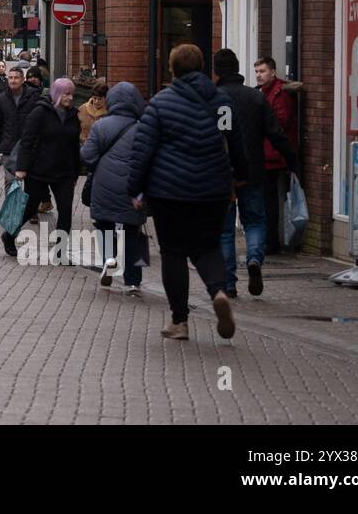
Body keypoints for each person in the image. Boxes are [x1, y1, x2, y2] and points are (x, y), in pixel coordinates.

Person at [127, 44, 247, 341]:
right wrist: (241, 177)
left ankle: (179, 321)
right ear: (203, 66)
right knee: (208, 247)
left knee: (173, 253)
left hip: (169, 192)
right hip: (213, 190)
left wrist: (134, 188)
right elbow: (235, 142)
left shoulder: (160, 104)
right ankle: (218, 291)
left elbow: (143, 150)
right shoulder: (221, 103)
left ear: (173, 69)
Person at [213, 49, 297, 298]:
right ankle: (254, 260)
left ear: (217, 70)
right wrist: (291, 159)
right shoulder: (255, 97)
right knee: (255, 220)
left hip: (221, 172)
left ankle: (228, 284)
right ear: (238, 68)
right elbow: (275, 132)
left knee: (225, 229)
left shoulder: (211, 98)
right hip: (252, 169)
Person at [81, 82, 148, 295]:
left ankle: (109, 260)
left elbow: (87, 155)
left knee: (104, 225)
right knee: (131, 233)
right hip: (133, 188)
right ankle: (132, 282)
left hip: (104, 185)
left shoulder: (101, 125)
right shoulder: (143, 128)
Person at [9, 78, 81, 258]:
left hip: (64, 172)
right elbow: (27, 141)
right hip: (39, 171)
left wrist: (76, 172)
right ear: (57, 94)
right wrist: (21, 168)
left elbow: (74, 146)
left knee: (65, 211)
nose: (70, 98)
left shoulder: (73, 115)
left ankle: (60, 252)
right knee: (30, 209)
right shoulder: (40, 112)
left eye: (72, 94)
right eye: (66, 94)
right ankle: (9, 236)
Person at [254, 56, 298, 255]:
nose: (259, 75)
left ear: (273, 72)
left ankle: (271, 242)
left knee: (270, 202)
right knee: (267, 201)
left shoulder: (279, 94)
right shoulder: (263, 92)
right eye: (256, 72)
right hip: (267, 154)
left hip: (273, 156)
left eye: (262, 71)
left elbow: (282, 122)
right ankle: (269, 240)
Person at [0, 64, 41, 171]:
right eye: (10, 78)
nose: (13, 81)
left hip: (30, 148)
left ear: (23, 80)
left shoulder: (34, 96)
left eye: (16, 78)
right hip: (9, 148)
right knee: (11, 185)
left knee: (32, 184)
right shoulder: (2, 98)